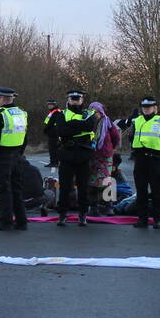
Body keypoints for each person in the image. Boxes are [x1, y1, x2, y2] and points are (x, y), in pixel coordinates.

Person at [116, 96, 160, 228]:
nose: (146, 109)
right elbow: (131, 137)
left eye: (149, 107)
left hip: (155, 159)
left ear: (154, 108)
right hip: (140, 159)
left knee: (157, 191)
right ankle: (142, 219)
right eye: (144, 107)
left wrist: (158, 154)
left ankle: (158, 219)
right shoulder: (137, 121)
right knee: (141, 190)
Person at [0, 88, 31, 231]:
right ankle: (21, 220)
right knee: (16, 188)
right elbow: (25, 136)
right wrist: (20, 153)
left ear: (3, 99)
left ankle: (6, 221)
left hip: (3, 156)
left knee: (2, 188)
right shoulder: (22, 113)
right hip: (17, 155)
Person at [54, 89, 97, 227]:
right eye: (72, 99)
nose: (75, 101)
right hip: (67, 153)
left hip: (83, 154)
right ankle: (62, 215)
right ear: (68, 100)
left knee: (83, 187)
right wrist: (80, 128)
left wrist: (71, 125)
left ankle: (83, 214)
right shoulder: (61, 114)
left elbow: (90, 125)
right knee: (65, 187)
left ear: (82, 100)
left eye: (77, 99)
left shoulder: (89, 114)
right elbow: (61, 131)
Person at [87, 101, 121, 214]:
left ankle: (108, 206)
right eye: (92, 111)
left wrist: (111, 148)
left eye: (96, 111)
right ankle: (93, 206)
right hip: (91, 156)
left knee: (106, 181)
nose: (94, 114)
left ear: (101, 112)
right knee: (91, 182)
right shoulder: (87, 122)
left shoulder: (107, 123)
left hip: (105, 156)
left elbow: (116, 137)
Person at [42, 99, 62, 167]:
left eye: (51, 104)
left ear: (54, 105)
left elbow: (51, 123)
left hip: (54, 133)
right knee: (53, 148)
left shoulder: (56, 112)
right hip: (52, 133)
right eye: (48, 104)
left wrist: (45, 129)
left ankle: (54, 162)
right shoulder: (53, 111)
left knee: (53, 149)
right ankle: (54, 162)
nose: (49, 106)